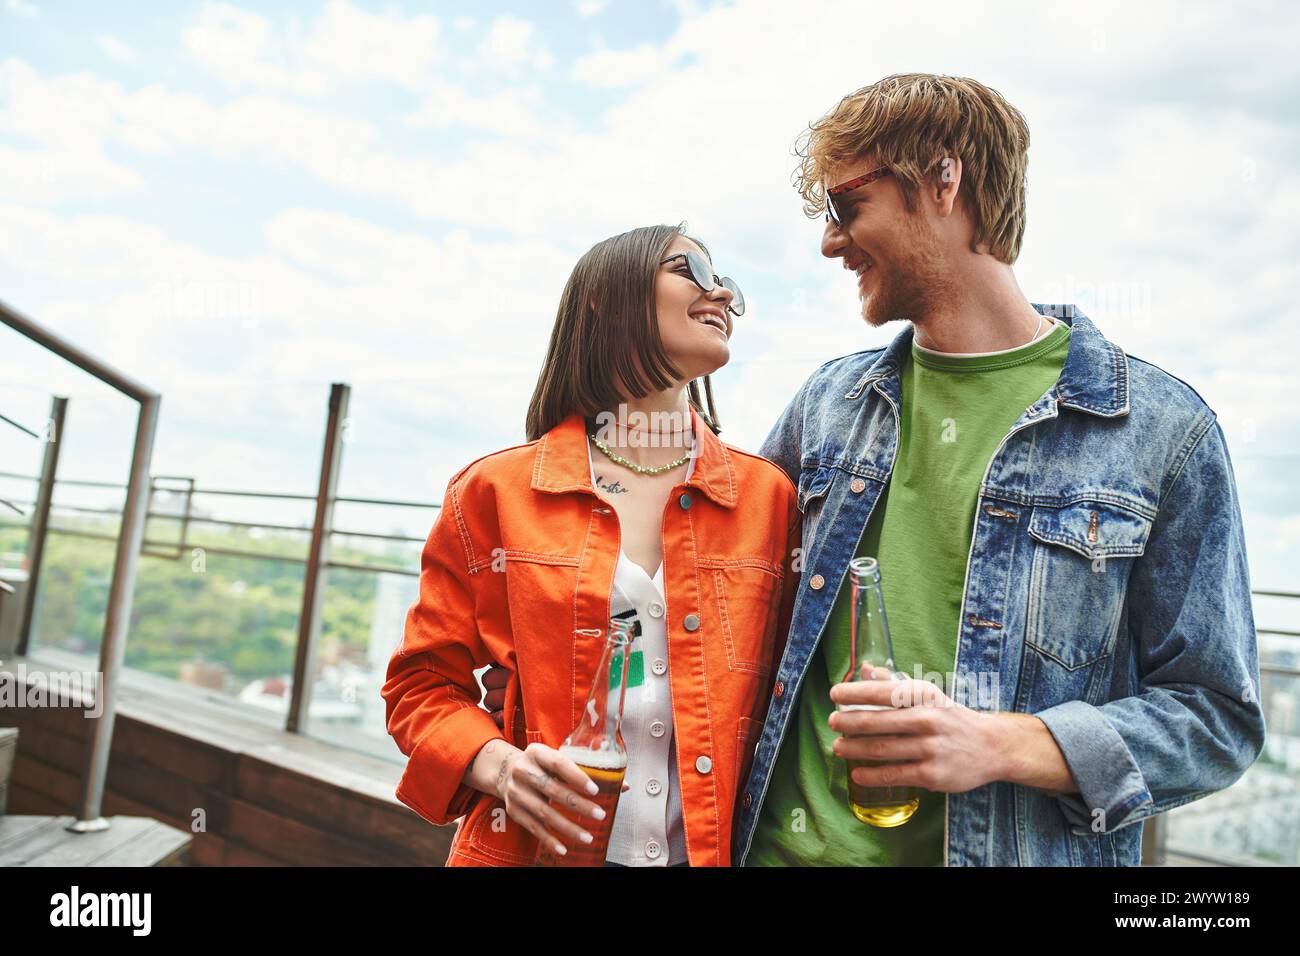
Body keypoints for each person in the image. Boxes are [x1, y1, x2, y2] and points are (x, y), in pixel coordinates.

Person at [734, 72, 1266, 866]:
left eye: (848, 206)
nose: (830, 241)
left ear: (942, 180)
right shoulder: (827, 405)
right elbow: (721, 593)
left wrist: (1000, 745)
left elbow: (1217, 717)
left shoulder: (1164, 432)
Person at [382, 223, 801, 867]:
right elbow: (420, 685)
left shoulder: (769, 499)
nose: (720, 294)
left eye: (727, 284)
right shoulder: (494, 490)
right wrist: (497, 766)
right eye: (688, 267)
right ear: (605, 301)